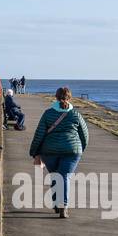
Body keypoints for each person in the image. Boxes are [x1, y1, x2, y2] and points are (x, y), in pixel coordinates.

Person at [29, 86, 89, 218]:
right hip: (72, 151)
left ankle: (57, 204)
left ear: (55, 97)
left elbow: (39, 134)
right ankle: (63, 206)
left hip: (49, 151)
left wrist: (34, 151)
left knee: (56, 177)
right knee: (64, 177)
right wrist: (80, 149)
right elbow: (85, 135)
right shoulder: (76, 114)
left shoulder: (48, 113)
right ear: (70, 98)